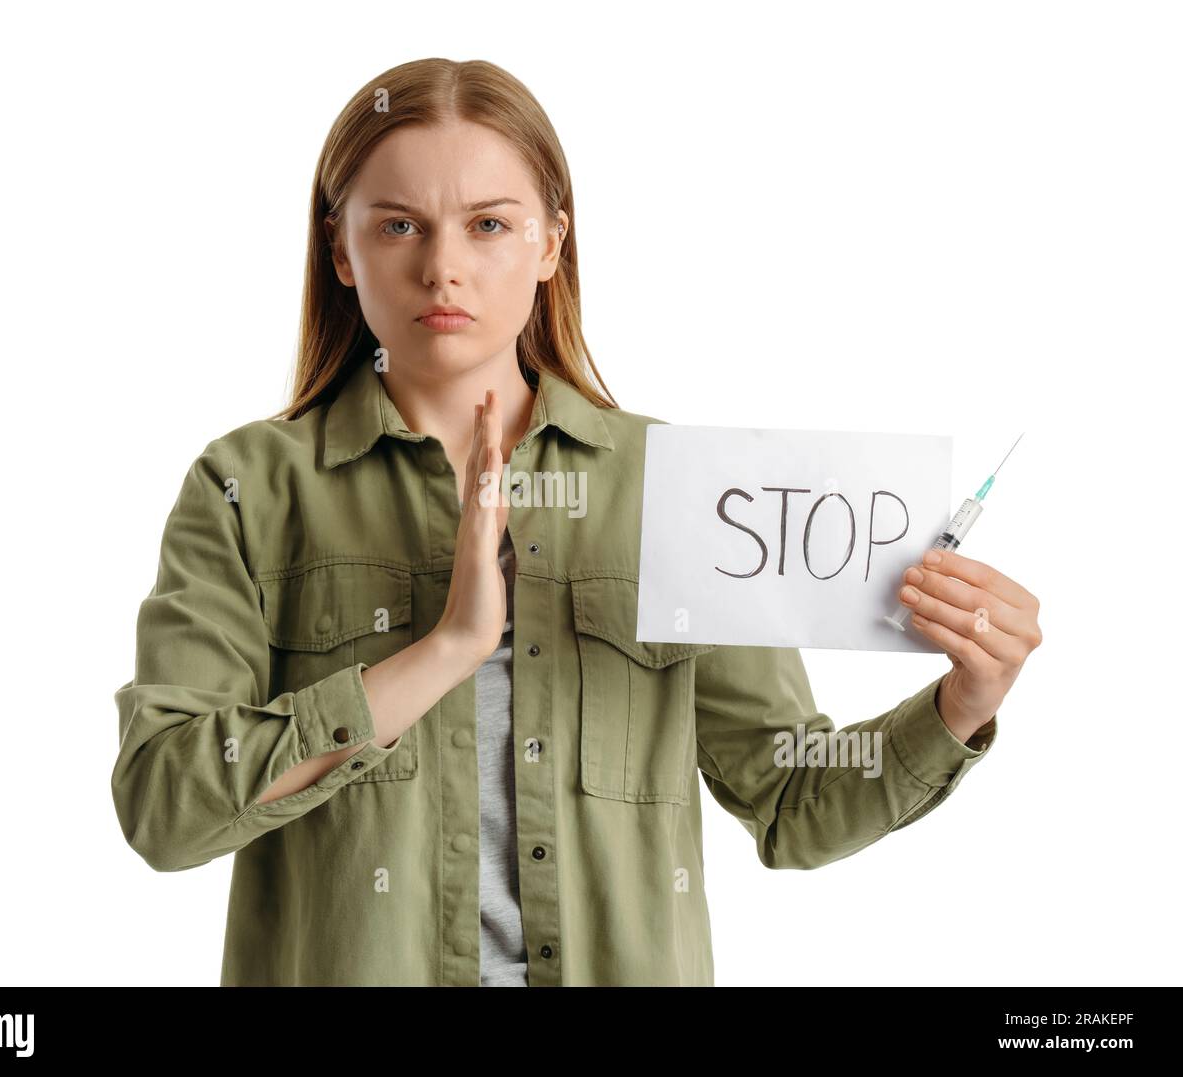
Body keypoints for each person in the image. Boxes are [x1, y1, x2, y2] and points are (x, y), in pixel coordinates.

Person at [111, 58, 1043, 987]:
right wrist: (448, 646)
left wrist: (962, 705)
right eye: (399, 224)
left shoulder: (678, 488)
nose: (443, 267)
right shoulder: (246, 489)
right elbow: (167, 805)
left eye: (489, 225)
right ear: (341, 249)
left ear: (551, 244)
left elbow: (791, 799)